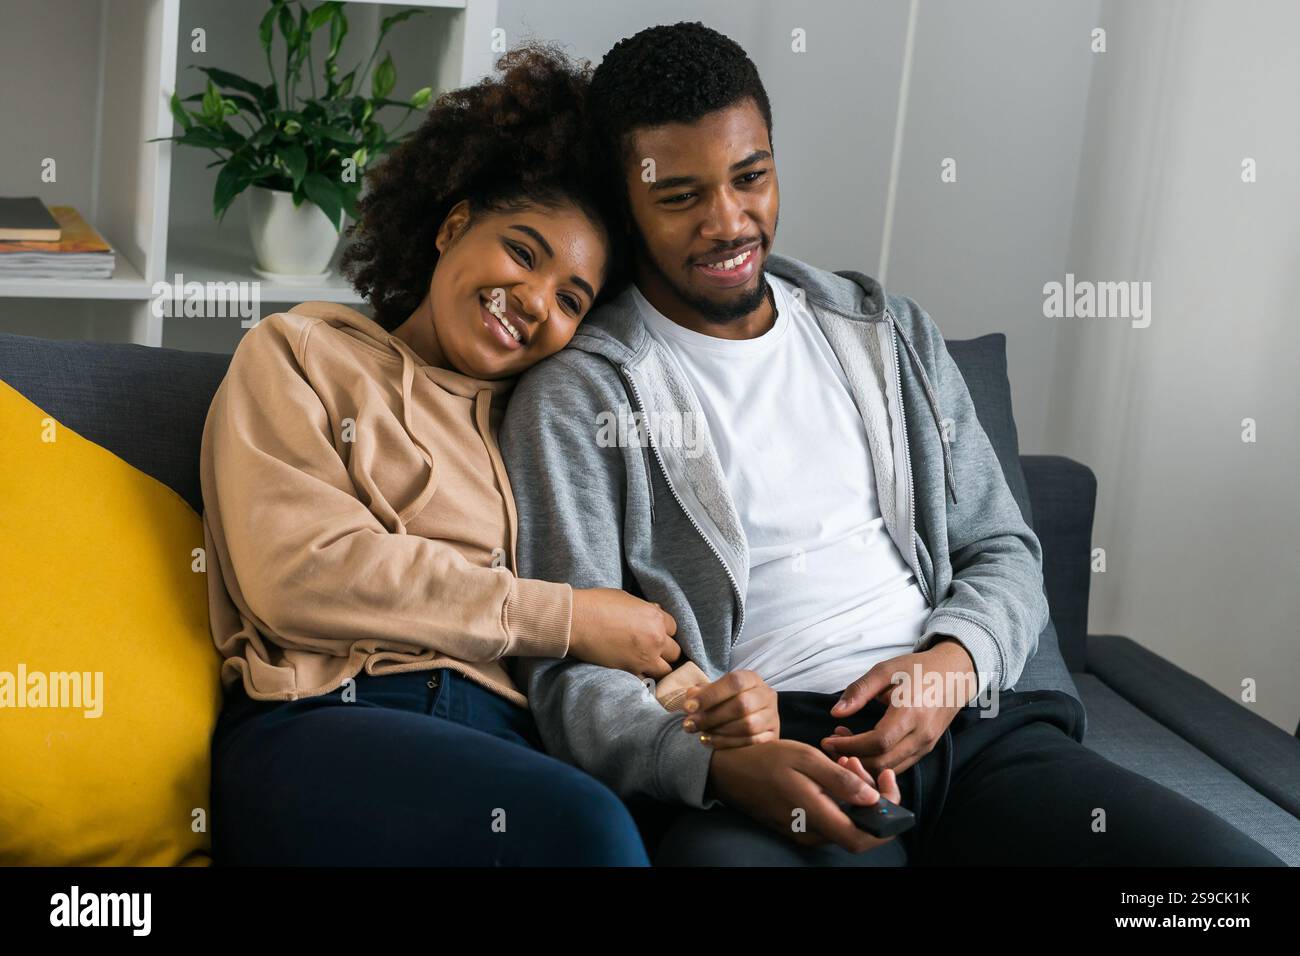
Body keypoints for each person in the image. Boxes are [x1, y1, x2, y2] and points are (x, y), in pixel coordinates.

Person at [498, 22, 1285, 866]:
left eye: (751, 177)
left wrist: (949, 667)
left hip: (972, 729)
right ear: (626, 204)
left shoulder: (888, 332)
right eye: (682, 196)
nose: (730, 222)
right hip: (779, 753)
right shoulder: (578, 396)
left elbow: (1007, 551)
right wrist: (718, 764)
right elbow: (572, 670)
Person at [200, 45, 770, 866]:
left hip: (512, 740)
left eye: (572, 299)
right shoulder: (299, 354)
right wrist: (566, 619)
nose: (533, 303)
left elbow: (633, 632)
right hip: (324, 723)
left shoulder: (541, 424)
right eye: (525, 253)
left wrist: (708, 704)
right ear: (454, 223)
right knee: (588, 834)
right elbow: (301, 575)